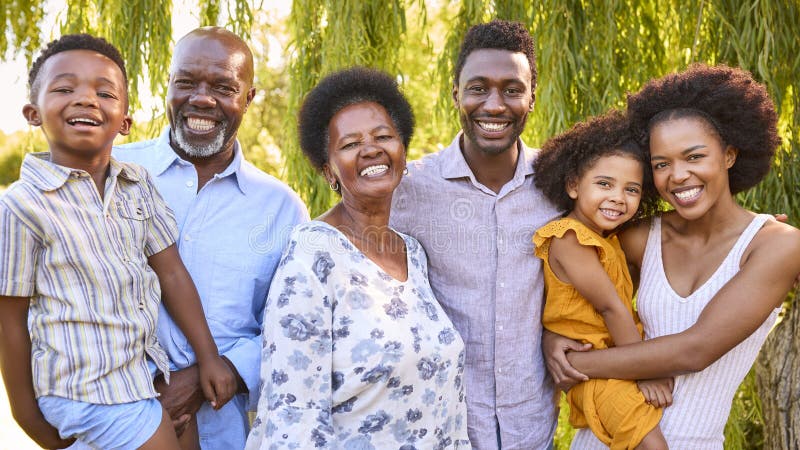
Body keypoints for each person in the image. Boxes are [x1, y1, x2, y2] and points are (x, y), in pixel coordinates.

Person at [544, 64, 800, 449]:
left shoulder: (776, 246)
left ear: (729, 155)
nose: (677, 176)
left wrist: (572, 364)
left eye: (694, 157)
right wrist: (551, 338)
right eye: (661, 164)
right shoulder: (639, 237)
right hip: (601, 439)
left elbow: (695, 350)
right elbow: (573, 292)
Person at [0, 34, 235, 450]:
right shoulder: (23, 205)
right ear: (33, 113)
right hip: (85, 390)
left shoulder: (136, 184)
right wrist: (25, 414)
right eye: (65, 89)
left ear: (125, 121)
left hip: (141, 375)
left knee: (189, 437)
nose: (86, 99)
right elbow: (9, 318)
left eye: (104, 93)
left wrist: (209, 356)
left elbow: (172, 273)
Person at [246, 67, 470, 449]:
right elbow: (293, 416)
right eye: (350, 144)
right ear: (328, 171)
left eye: (383, 137)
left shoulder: (413, 254)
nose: (371, 149)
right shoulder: (313, 256)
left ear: (402, 152)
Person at [114, 27, 308, 449]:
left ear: (249, 98)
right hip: (105, 423)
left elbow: (293, 325)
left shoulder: (281, 208)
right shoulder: (113, 172)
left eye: (223, 87)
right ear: (168, 85)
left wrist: (222, 371)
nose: (202, 99)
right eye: (186, 82)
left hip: (221, 433)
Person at [391, 20, 561, 449]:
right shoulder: (410, 189)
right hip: (442, 428)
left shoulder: (560, 185)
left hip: (533, 430)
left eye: (512, 89)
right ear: (456, 95)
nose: (495, 105)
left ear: (532, 97)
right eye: (478, 88)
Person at [532, 110, 668, 449]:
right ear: (574, 185)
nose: (618, 197)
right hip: (599, 374)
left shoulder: (608, 241)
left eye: (631, 189)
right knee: (654, 445)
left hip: (612, 363)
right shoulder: (569, 238)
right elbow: (611, 308)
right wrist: (645, 370)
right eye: (604, 184)